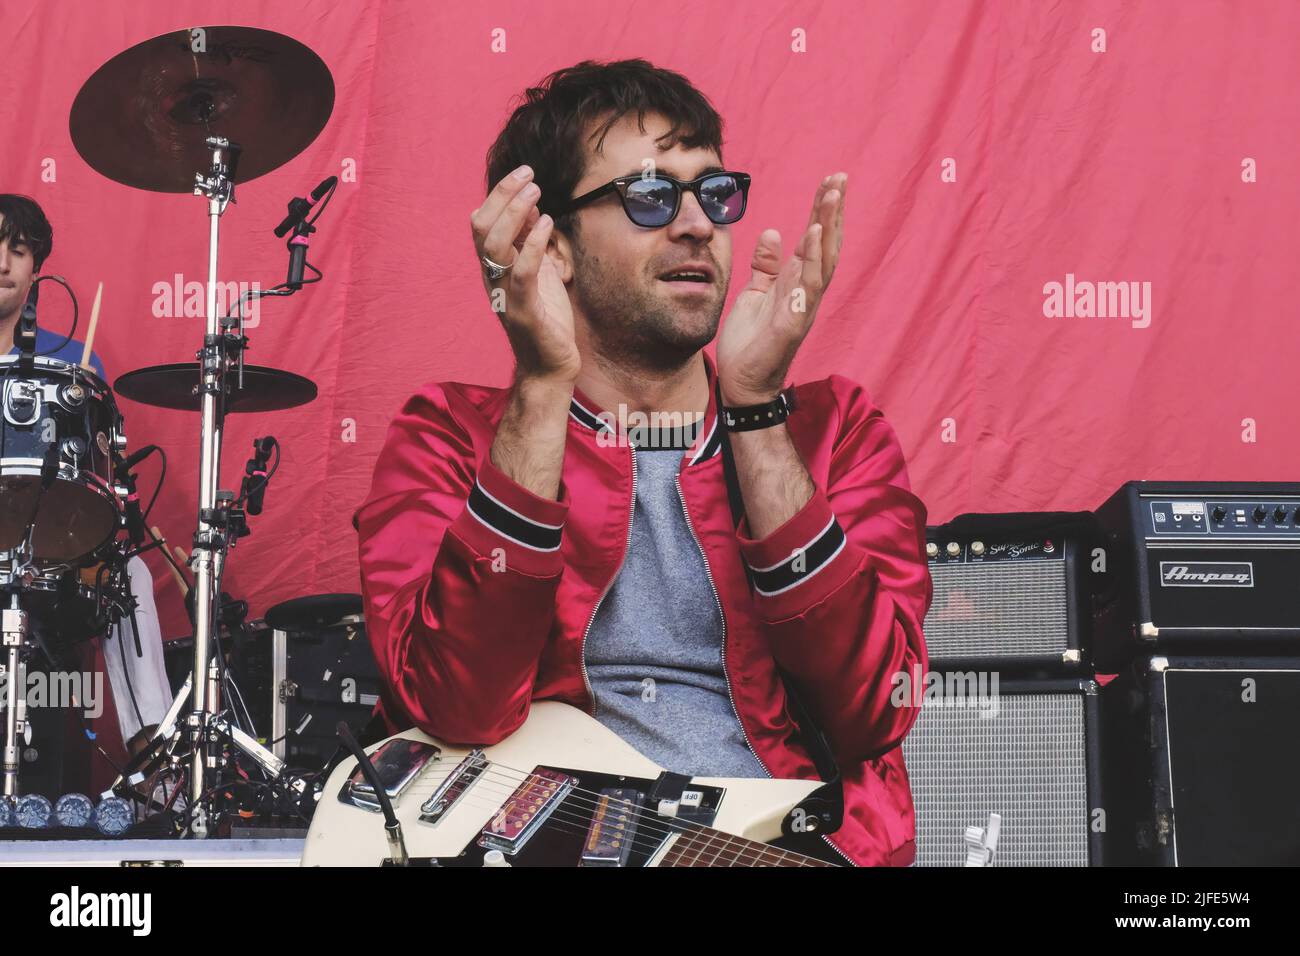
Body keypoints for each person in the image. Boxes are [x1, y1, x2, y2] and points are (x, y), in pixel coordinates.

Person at [355, 60, 932, 866]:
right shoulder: (450, 435)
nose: (697, 224)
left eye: (715, 193)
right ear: (549, 246)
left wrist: (757, 409)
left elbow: (874, 710)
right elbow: (460, 708)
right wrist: (543, 383)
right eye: (651, 196)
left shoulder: (836, 429)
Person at [0, 193, 172, 787]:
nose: (3, 262)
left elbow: (102, 478)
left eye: (17, 251)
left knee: (134, 576)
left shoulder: (75, 360)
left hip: (53, 547)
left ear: (36, 269)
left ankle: (157, 767)